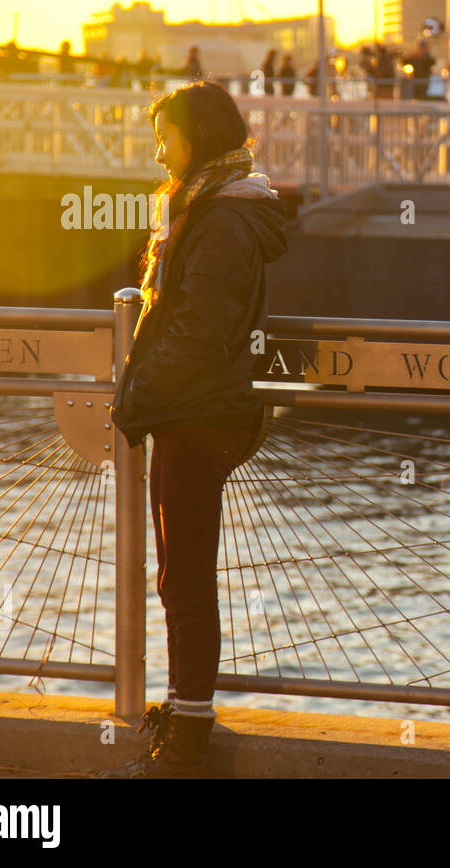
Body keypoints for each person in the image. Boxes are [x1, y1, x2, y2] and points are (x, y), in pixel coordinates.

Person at [104, 80, 288, 778]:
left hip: (198, 410)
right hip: (199, 406)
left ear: (199, 138)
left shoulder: (220, 221)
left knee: (185, 581)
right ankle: (184, 717)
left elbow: (199, 328)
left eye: (167, 137)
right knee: (182, 576)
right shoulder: (212, 209)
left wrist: (136, 398)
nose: (158, 153)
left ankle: (187, 741)